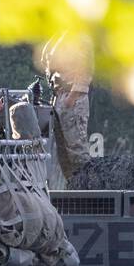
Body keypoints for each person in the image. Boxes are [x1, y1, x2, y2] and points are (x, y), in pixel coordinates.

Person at [41, 31, 94, 182]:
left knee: (77, 152)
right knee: (64, 154)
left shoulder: (79, 36)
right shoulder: (57, 36)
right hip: (59, 96)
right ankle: (74, 190)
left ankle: (86, 192)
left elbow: (85, 69)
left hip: (72, 97)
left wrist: (73, 96)